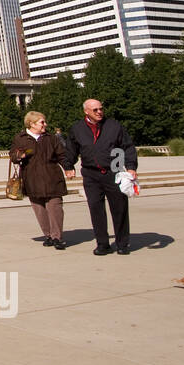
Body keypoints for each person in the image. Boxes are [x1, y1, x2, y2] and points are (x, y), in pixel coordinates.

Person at [63, 99, 138, 256]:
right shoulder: (77, 128)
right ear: (86, 112)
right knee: (96, 209)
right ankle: (102, 244)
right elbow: (71, 149)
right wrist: (68, 166)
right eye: (95, 110)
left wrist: (131, 167)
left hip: (114, 172)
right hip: (91, 175)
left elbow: (128, 146)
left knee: (119, 209)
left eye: (101, 109)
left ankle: (122, 243)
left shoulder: (114, 126)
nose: (99, 112)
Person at [11, 111, 73, 250]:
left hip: (52, 178)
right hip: (32, 179)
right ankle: (49, 235)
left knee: (55, 208)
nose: (45, 124)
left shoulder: (51, 138)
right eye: (42, 122)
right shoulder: (20, 138)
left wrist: (68, 168)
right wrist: (19, 155)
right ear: (32, 124)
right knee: (39, 210)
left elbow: (61, 155)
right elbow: (13, 156)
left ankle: (57, 237)